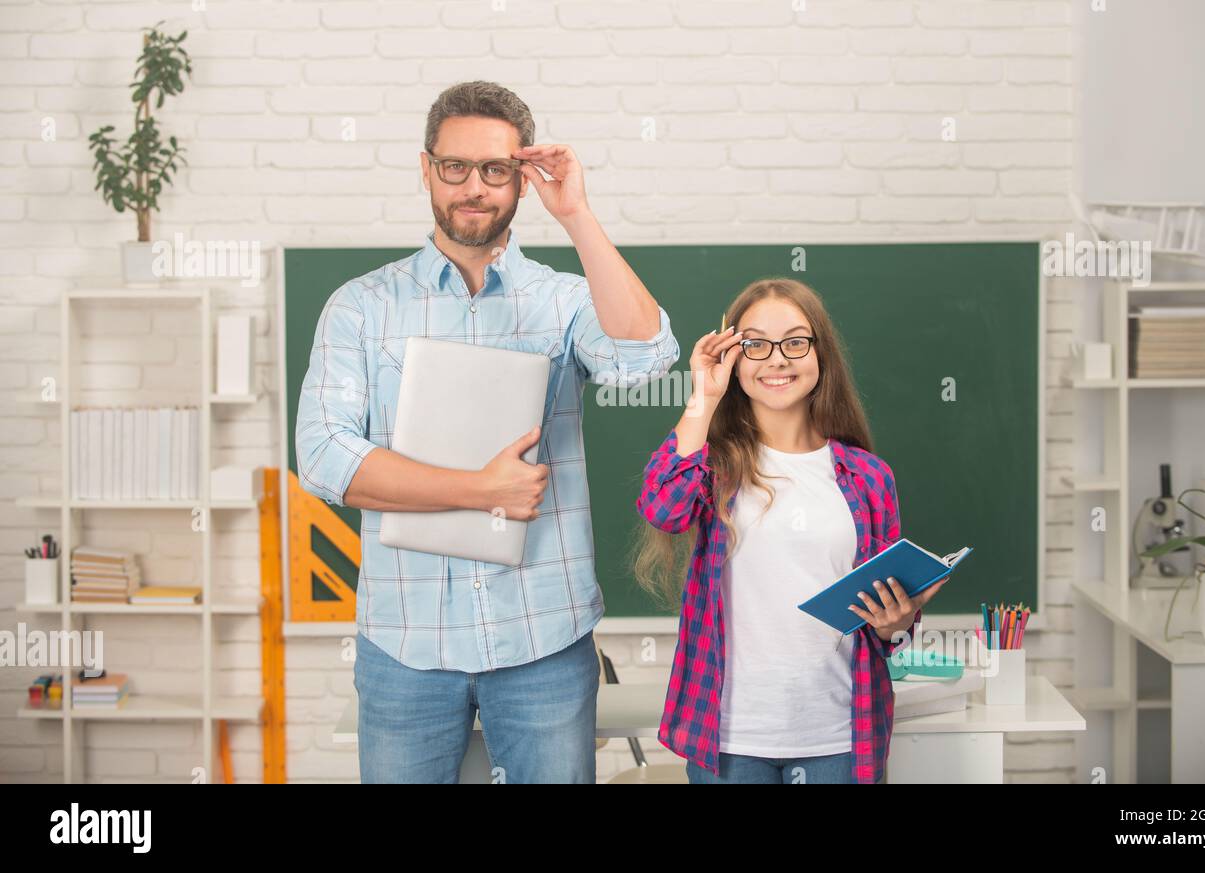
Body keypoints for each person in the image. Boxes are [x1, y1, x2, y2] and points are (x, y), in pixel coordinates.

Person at [295, 81, 680, 783]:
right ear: (425, 168)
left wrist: (579, 214)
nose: (474, 188)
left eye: (496, 170)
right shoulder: (359, 307)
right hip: (405, 646)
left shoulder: (565, 300)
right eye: (455, 167)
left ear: (522, 179)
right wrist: (477, 490)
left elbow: (645, 356)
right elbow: (323, 457)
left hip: (544, 641)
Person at [633, 277, 947, 784]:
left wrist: (895, 624)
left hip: (840, 736)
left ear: (820, 355)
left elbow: (889, 622)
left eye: (795, 342)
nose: (777, 359)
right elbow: (662, 508)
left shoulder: (868, 476)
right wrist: (703, 397)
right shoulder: (714, 466)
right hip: (731, 740)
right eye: (755, 345)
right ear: (734, 359)